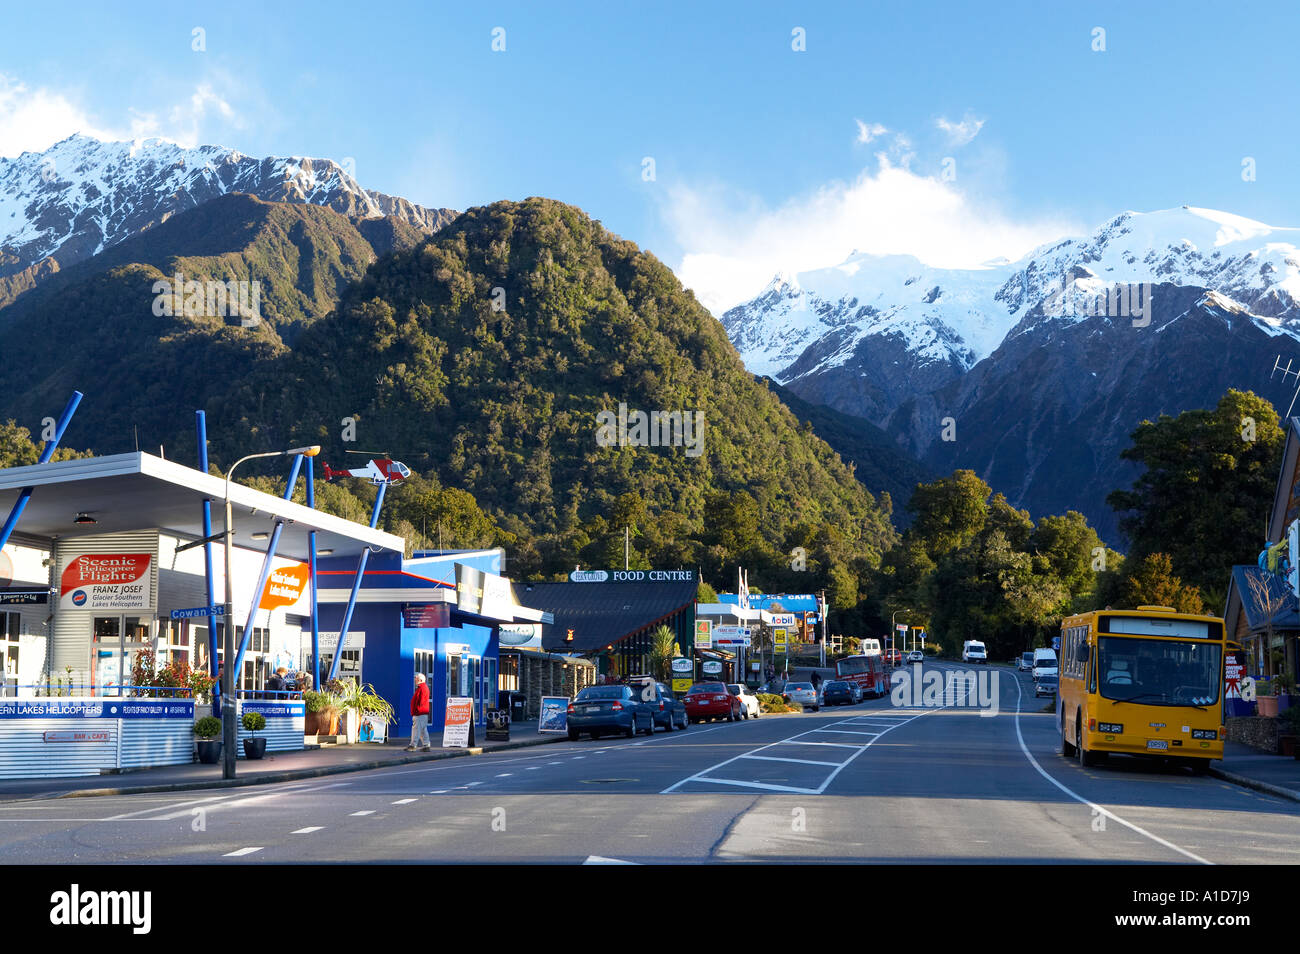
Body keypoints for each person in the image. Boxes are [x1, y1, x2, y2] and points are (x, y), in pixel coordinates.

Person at [408, 672, 431, 751]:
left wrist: (416, 710)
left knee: (416, 729)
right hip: (421, 712)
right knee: (422, 730)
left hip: (419, 713)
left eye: (416, 678)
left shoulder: (422, 688)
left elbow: (420, 701)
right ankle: (426, 745)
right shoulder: (422, 687)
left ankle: (413, 745)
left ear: (420, 680)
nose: (415, 680)